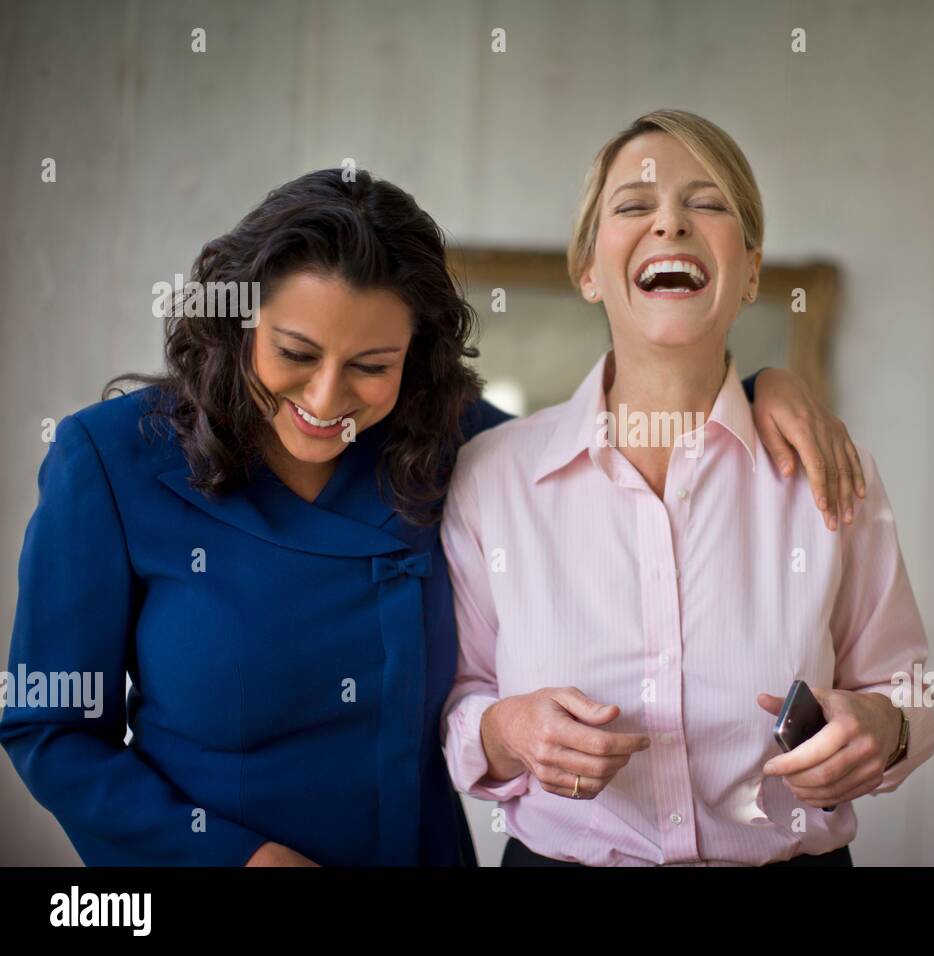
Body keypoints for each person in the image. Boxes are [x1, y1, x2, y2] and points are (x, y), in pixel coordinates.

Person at [0, 166, 860, 865]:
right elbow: (47, 726)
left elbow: (610, 438)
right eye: (294, 354)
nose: (327, 400)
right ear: (237, 325)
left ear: (415, 364)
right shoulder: (111, 464)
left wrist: (758, 392)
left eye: (371, 366)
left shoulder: (458, 449)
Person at [441, 110, 934, 866]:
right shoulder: (490, 479)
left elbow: (907, 691)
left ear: (751, 272)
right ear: (587, 270)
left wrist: (884, 725)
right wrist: (505, 731)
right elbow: (457, 699)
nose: (669, 223)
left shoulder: (837, 476)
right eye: (634, 207)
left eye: (706, 204)